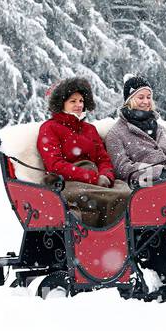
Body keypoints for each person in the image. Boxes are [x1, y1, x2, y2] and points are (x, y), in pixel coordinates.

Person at [36, 78, 132, 228]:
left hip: (97, 179)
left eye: (81, 100)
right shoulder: (49, 128)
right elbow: (55, 165)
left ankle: (124, 235)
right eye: (73, 101)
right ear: (61, 103)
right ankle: (110, 237)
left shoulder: (89, 129)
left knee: (131, 194)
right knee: (118, 197)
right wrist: (93, 178)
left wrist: (106, 175)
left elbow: (103, 159)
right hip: (68, 182)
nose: (79, 105)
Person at [103, 75, 166, 188]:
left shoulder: (160, 129)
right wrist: (158, 173)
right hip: (141, 187)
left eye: (148, 97)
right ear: (129, 100)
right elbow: (121, 168)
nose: (146, 101)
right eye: (141, 97)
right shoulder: (116, 133)